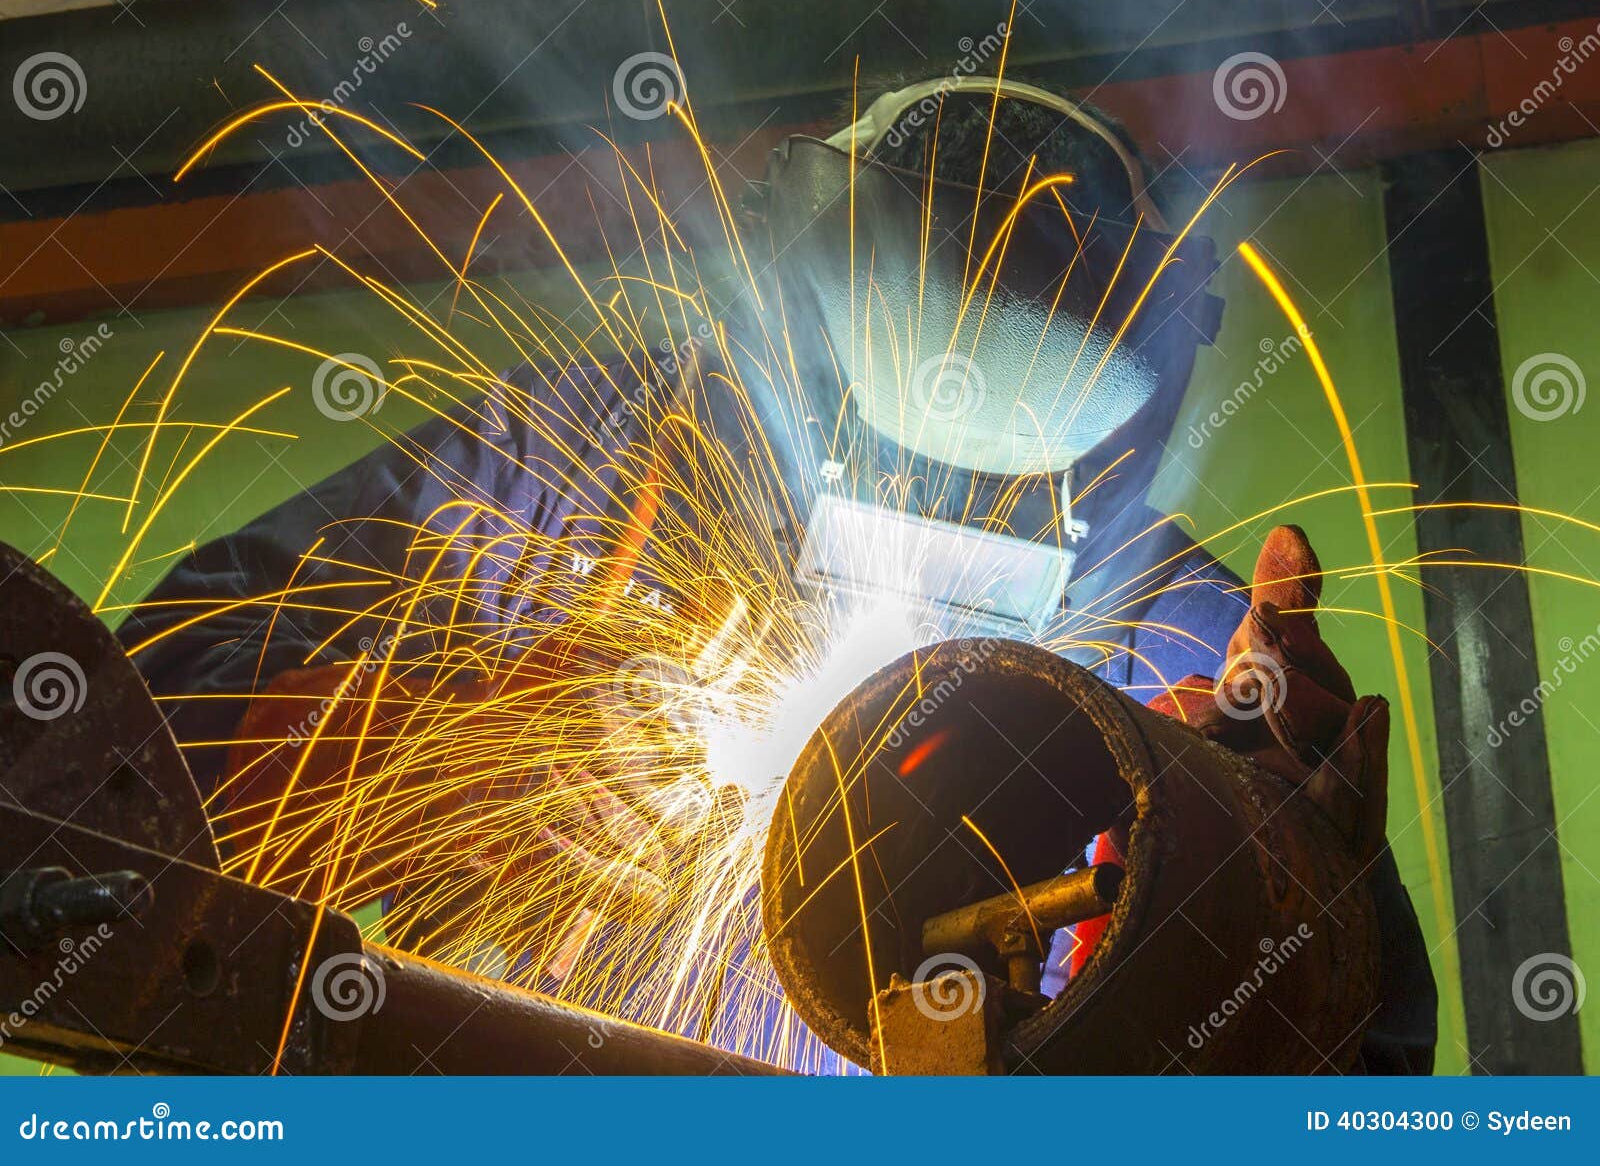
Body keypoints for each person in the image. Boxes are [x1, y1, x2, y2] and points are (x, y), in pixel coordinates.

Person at [117, 74, 1435, 1072]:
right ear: (801, 337)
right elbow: (115, 775)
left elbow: (1375, 1066)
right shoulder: (577, 468)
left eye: (1015, 504)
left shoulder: (1185, 638)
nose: (943, 541)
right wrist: (449, 744)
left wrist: (1283, 899)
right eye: (905, 475)